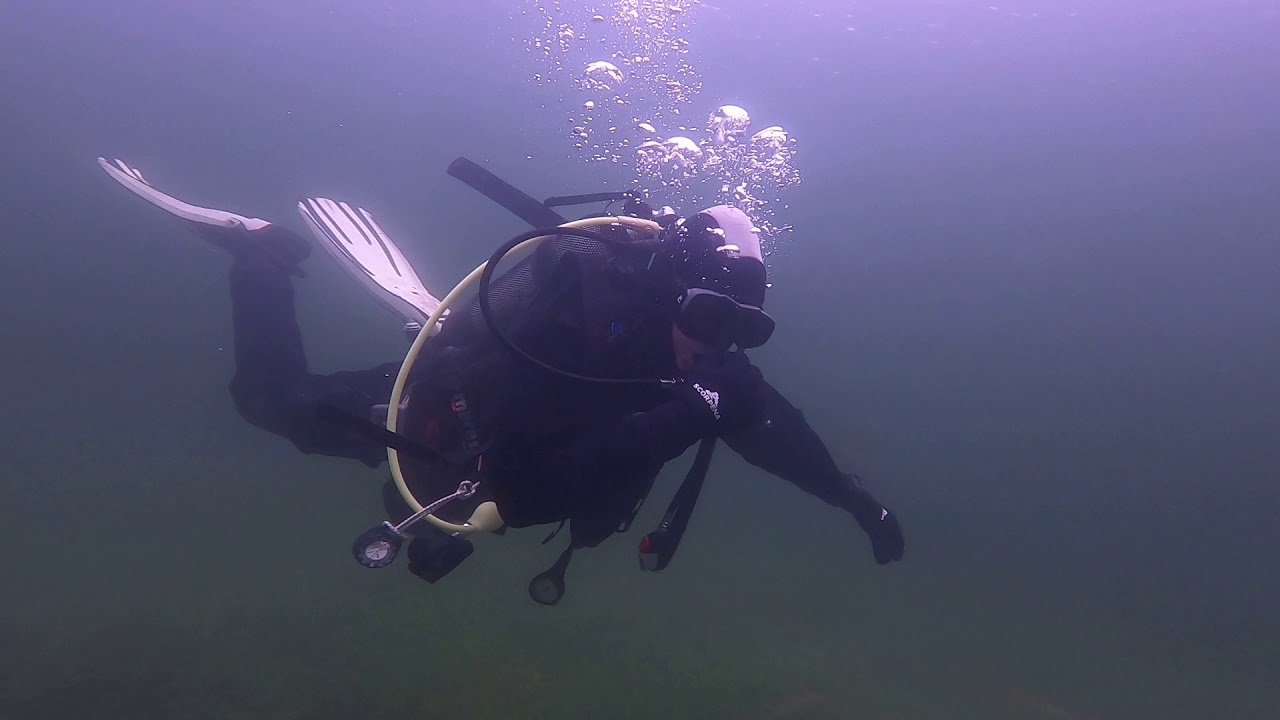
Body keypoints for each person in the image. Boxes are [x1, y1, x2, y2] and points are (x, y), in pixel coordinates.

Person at [98, 156, 905, 604]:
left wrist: (856, 501)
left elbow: (777, 438)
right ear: (667, 291)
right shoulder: (581, 318)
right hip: (447, 412)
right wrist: (684, 416)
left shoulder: (705, 361)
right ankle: (261, 258)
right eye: (705, 318)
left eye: (744, 331)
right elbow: (525, 480)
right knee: (267, 403)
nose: (718, 346)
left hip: (501, 451)